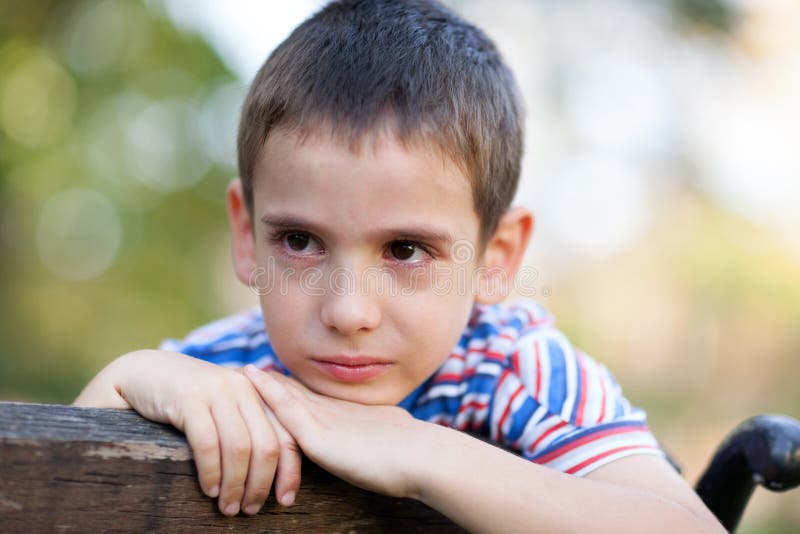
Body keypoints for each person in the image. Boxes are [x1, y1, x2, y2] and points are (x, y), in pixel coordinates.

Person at [73, 1, 723, 531]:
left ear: (495, 259)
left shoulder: (514, 369)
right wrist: (126, 378)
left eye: (406, 250)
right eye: (300, 241)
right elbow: (52, 499)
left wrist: (418, 452)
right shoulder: (222, 375)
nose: (349, 311)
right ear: (247, 235)